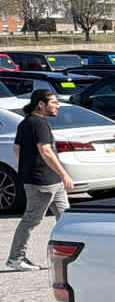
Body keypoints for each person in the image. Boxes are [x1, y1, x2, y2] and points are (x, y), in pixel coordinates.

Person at [6, 88, 74, 272]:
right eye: (54, 103)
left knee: (66, 218)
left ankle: (68, 256)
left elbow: (17, 150)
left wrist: (29, 166)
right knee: (31, 220)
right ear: (41, 104)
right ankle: (15, 258)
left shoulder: (26, 122)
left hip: (51, 181)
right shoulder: (39, 124)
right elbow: (46, 151)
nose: (57, 106)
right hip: (42, 183)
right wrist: (64, 174)